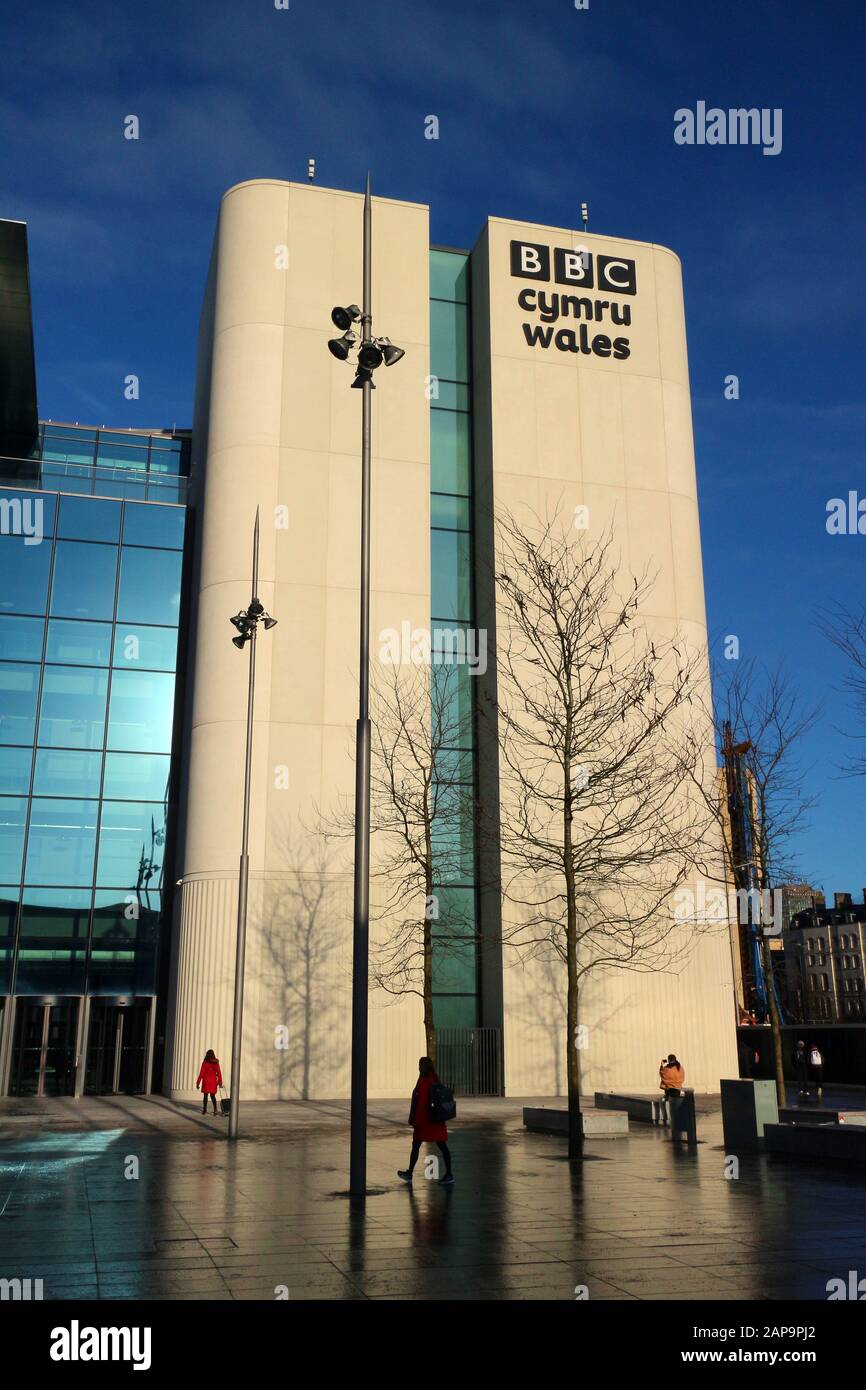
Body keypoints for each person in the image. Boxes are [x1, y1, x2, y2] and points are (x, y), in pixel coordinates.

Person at [397, 1056, 454, 1186]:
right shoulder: (435, 1078)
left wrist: (415, 1121)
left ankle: (410, 1173)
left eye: (420, 1065)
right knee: (442, 1146)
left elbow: (421, 1103)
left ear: (423, 1067)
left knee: (416, 1146)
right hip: (437, 1120)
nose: (418, 1067)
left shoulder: (423, 1081)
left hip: (425, 1121)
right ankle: (449, 1174)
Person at [196, 1048, 223, 1115]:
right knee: (213, 1096)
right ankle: (215, 1109)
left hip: (206, 1081)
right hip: (213, 1082)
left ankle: (204, 1110)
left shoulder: (205, 1062)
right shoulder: (216, 1063)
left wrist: (198, 1083)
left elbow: (201, 1073)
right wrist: (220, 1082)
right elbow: (219, 1073)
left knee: (205, 1096)